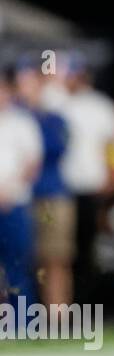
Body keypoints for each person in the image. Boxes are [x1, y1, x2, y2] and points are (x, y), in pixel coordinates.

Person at [41, 55, 114, 299]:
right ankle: (62, 310)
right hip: (63, 188)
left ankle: (85, 305)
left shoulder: (100, 105)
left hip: (93, 187)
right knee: (62, 252)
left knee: (89, 249)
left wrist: (113, 176)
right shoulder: (58, 102)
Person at [12, 59, 74, 312]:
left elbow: (56, 148)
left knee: (55, 259)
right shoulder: (13, 117)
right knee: (20, 261)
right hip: (19, 197)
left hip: (51, 196)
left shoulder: (53, 117)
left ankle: (58, 318)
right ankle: (23, 320)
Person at [0, 69, 42, 306]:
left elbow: (32, 163)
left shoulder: (22, 122)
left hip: (14, 204)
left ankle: (23, 324)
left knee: (17, 265)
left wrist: (7, 191)